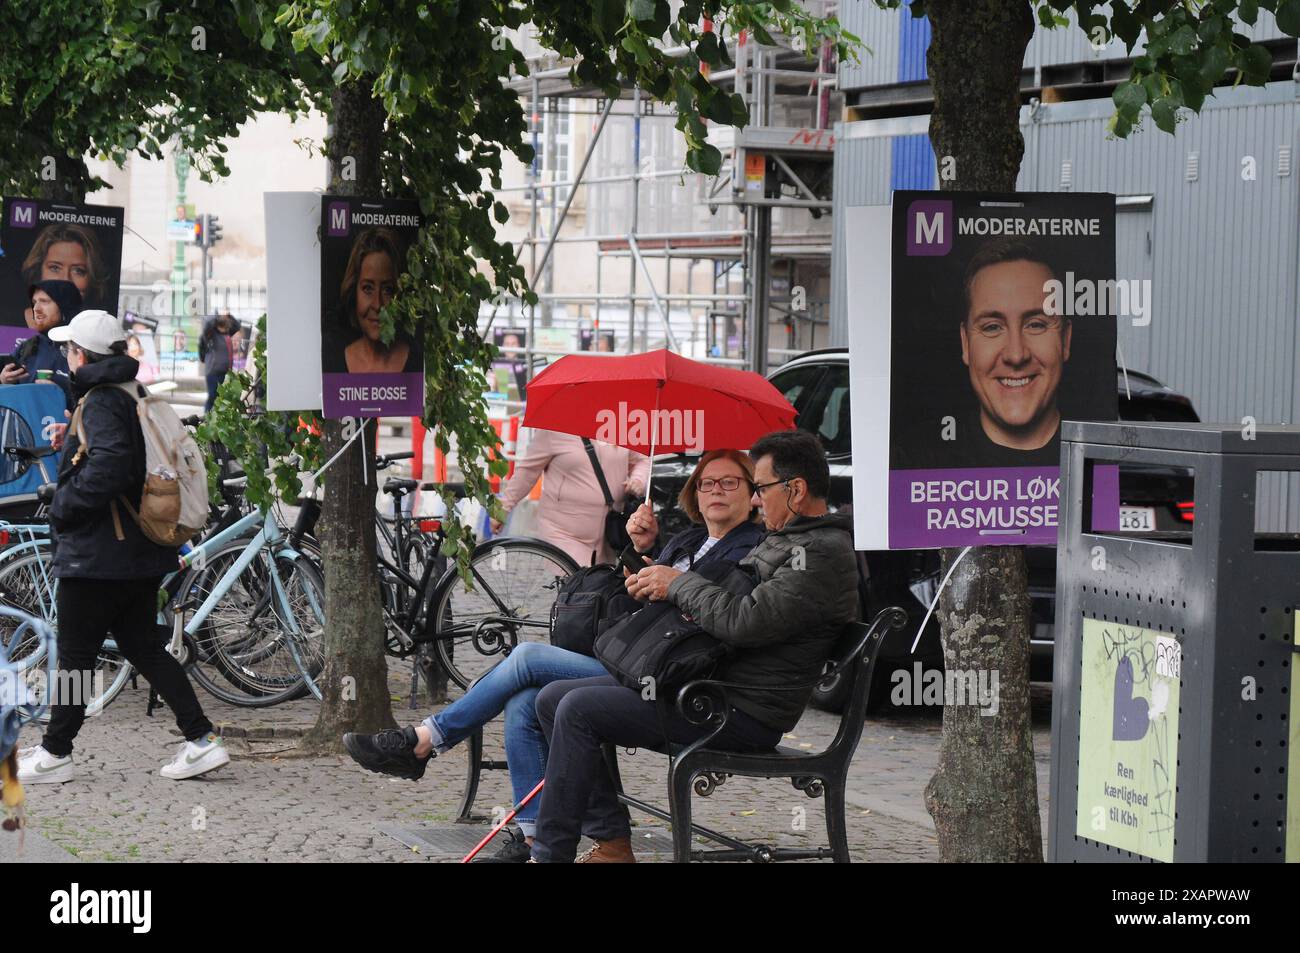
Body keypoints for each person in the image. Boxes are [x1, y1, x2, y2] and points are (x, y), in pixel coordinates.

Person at [342, 449, 764, 862]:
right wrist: (638, 556)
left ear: (752, 494)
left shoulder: (748, 549)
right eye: (708, 483)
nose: (716, 491)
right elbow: (640, 608)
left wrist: (670, 585)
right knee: (524, 700)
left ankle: (424, 741)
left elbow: (710, 619)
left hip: (667, 676)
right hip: (637, 656)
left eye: (730, 482)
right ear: (695, 493)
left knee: (527, 658)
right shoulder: (689, 540)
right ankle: (530, 836)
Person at [529, 429, 860, 863]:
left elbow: (744, 621)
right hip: (709, 688)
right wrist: (662, 573)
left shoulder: (819, 553)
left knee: (576, 709)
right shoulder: (789, 539)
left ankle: (550, 855)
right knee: (554, 698)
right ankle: (611, 843)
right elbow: (731, 601)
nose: (757, 500)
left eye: (759, 488)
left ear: (794, 489)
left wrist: (680, 584)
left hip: (740, 710)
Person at [16, 310, 229, 785]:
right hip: (136, 551)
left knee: (74, 658)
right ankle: (201, 740)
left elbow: (113, 467)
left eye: (69, 349)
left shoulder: (101, 401)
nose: (65, 355)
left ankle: (54, 755)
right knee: (143, 647)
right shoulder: (127, 392)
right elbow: (119, 452)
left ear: (81, 355)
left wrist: (63, 505)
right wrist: (71, 436)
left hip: (98, 555)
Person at [955, 239, 1071, 465]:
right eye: (992, 327)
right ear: (966, 344)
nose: (1016, 356)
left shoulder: (1099, 457)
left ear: (1066, 340)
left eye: (1036, 324)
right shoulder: (911, 461)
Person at [491, 430, 650, 567]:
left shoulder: (617, 428)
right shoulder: (553, 430)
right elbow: (527, 472)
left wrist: (638, 480)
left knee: (600, 590)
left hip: (608, 534)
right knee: (582, 582)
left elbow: (643, 460)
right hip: (563, 530)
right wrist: (503, 508)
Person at [322, 227, 421, 375]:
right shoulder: (334, 361)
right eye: (368, 288)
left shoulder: (417, 361)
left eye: (388, 290)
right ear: (353, 291)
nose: (377, 304)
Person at [2, 280, 80, 406]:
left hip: (65, 424)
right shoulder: (26, 347)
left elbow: (94, 406)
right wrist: (4, 381)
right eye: (34, 303)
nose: (36, 309)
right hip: (26, 425)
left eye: (44, 301)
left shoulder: (84, 349)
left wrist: (60, 396)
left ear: (65, 306)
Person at [19, 223, 106, 327]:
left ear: (92, 277)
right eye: (55, 268)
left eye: (78, 271)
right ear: (38, 271)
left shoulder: (99, 329)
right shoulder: (11, 321)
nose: (66, 279)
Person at [199, 313, 238, 413]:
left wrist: (229, 315)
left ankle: (217, 418)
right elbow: (208, 324)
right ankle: (207, 417)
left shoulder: (227, 334)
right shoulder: (211, 334)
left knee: (222, 397)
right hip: (213, 371)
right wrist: (218, 316)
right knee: (213, 396)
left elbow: (237, 325)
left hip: (225, 372)